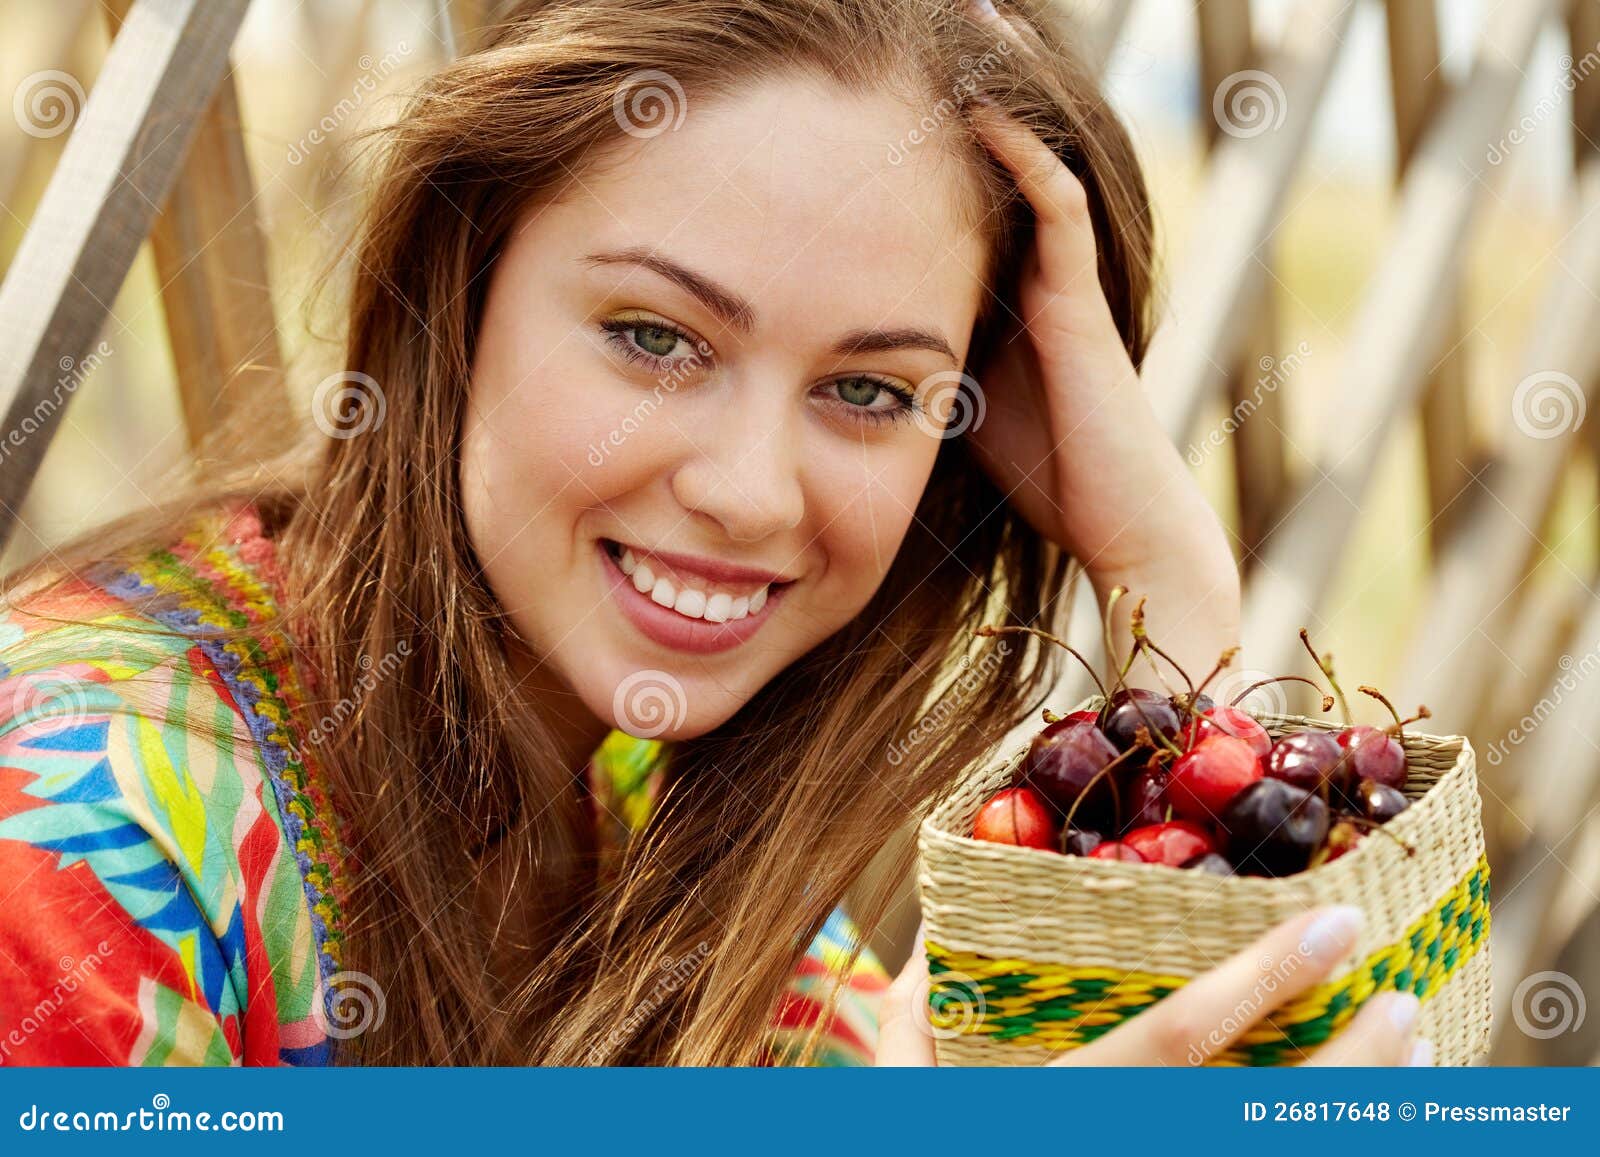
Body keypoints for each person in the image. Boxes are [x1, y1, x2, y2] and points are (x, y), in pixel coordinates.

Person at [0, 0, 1422, 1066]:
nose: (750, 490)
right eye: (655, 336)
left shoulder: (630, 792)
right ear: (464, 276)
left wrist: (1160, 584)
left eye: (868, 388)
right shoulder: (81, 841)